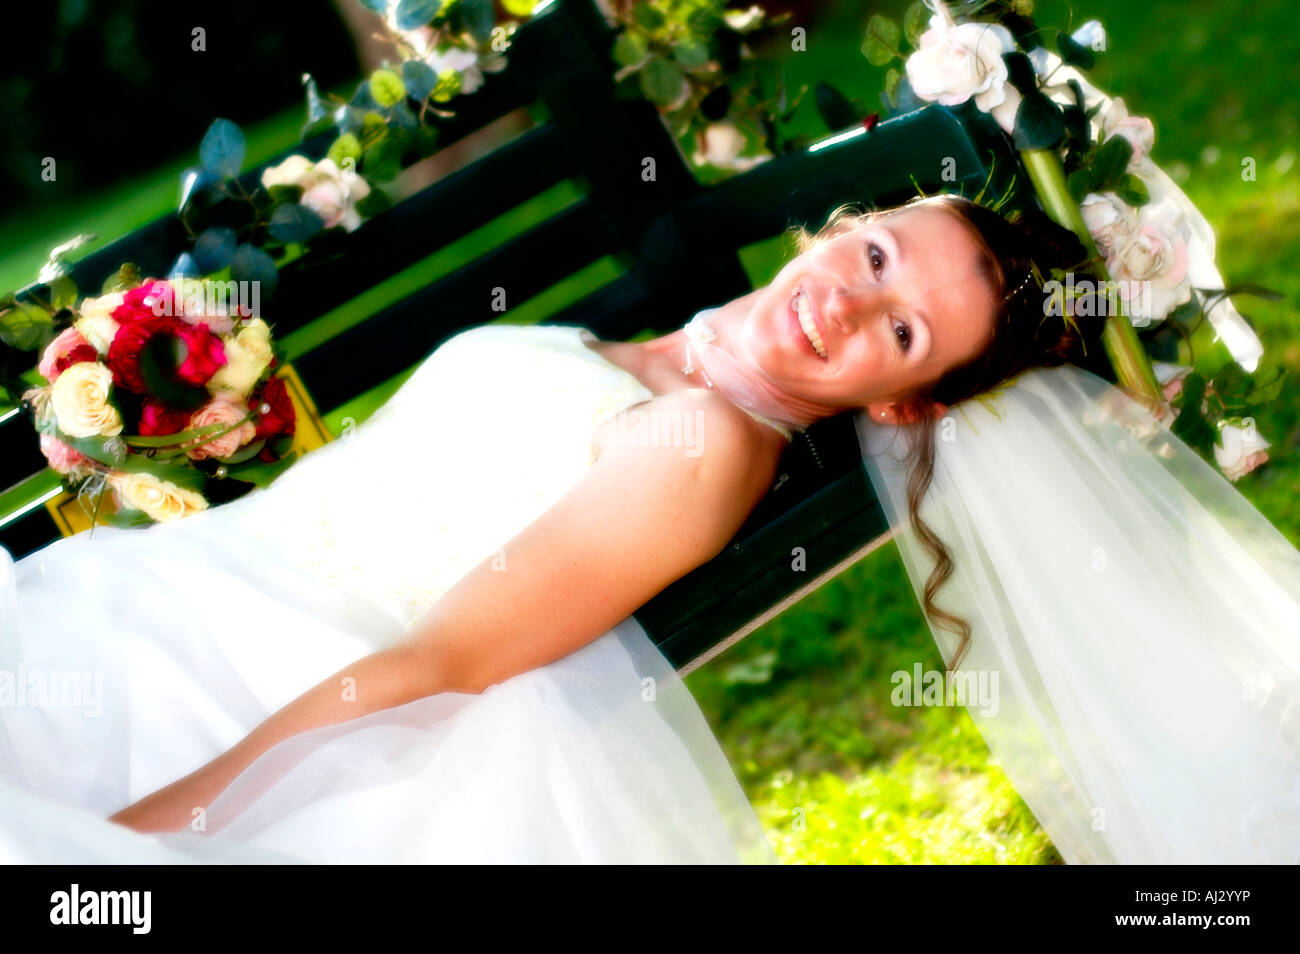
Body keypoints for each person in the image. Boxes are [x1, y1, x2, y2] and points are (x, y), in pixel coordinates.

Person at [0, 191, 1262, 863]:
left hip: (262, 677)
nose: (846, 305)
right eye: (875, 256)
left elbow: (441, 659)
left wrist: (135, 848)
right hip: (178, 584)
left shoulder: (705, 445)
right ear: (837, 226)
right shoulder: (651, 362)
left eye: (900, 331)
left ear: (899, 397)